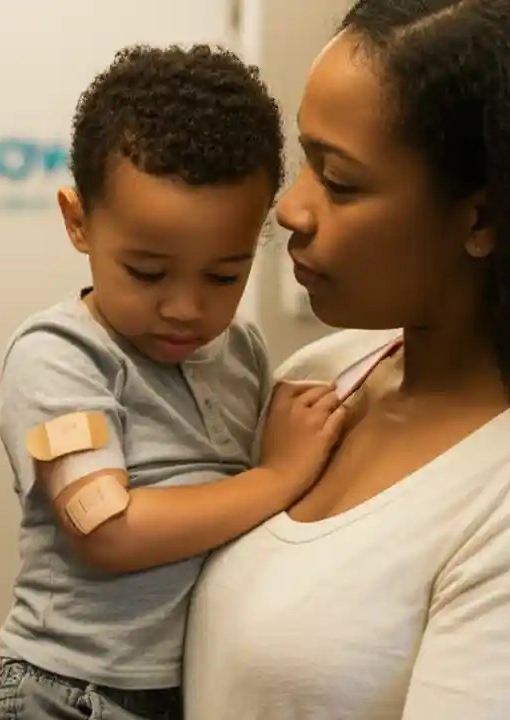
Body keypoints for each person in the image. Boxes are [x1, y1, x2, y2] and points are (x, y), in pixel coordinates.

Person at [0, 45, 343, 720]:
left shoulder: (243, 353)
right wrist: (277, 477)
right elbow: (105, 529)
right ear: (78, 222)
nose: (184, 308)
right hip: (68, 695)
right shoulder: (58, 356)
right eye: (147, 272)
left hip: (193, 691)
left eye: (223, 276)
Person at [184, 1, 510, 718]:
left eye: (340, 181)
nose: (291, 209)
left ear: (479, 219)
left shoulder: (494, 499)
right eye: (304, 160)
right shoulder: (318, 374)